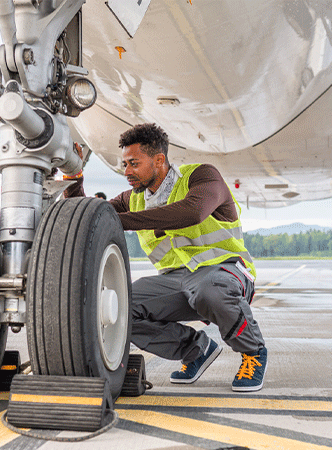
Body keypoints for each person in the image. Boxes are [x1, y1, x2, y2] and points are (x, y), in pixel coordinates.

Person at [64, 123, 267, 391]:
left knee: (210, 290)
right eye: (125, 164)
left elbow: (191, 212)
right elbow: (90, 216)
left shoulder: (202, 177)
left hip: (224, 272)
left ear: (159, 160)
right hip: (174, 282)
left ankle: (253, 352)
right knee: (119, 309)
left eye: (134, 163)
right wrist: (73, 176)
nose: (127, 172)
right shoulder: (132, 199)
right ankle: (196, 349)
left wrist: (121, 220)